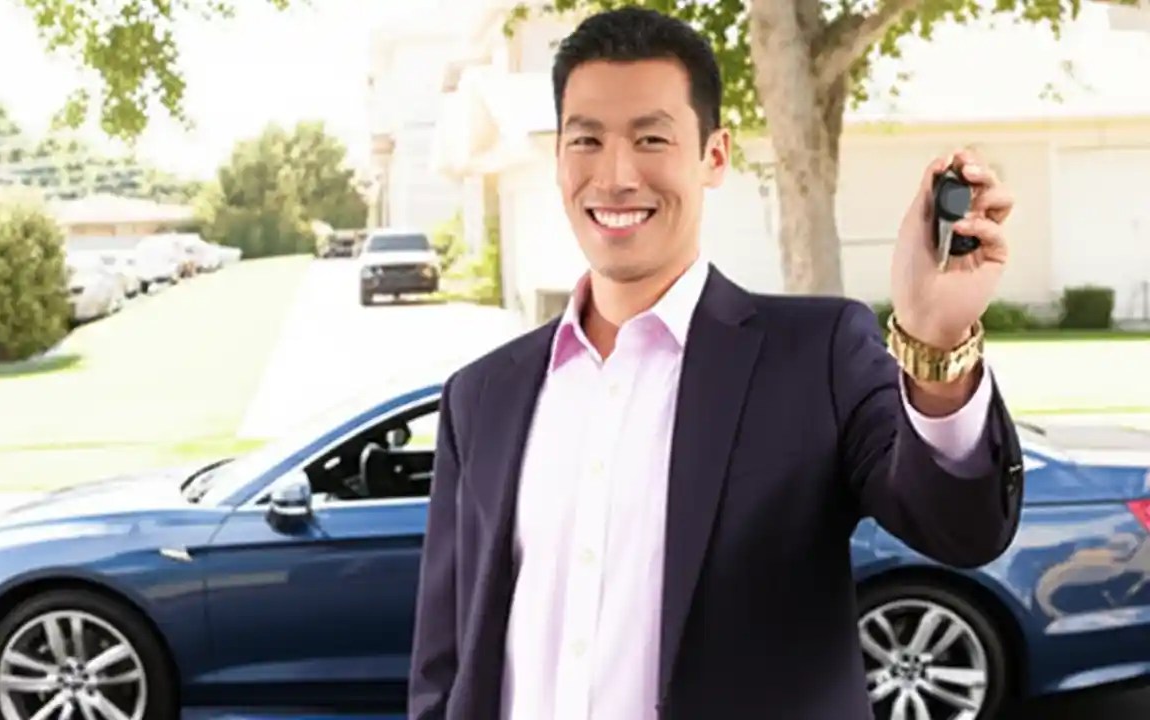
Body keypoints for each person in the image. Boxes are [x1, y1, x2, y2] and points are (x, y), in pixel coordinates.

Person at [408, 7, 1023, 720]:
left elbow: (960, 527)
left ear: (714, 156)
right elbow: (445, 664)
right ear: (557, 161)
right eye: (587, 140)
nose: (615, 174)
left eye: (651, 138)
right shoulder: (482, 397)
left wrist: (935, 342)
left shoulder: (813, 355)